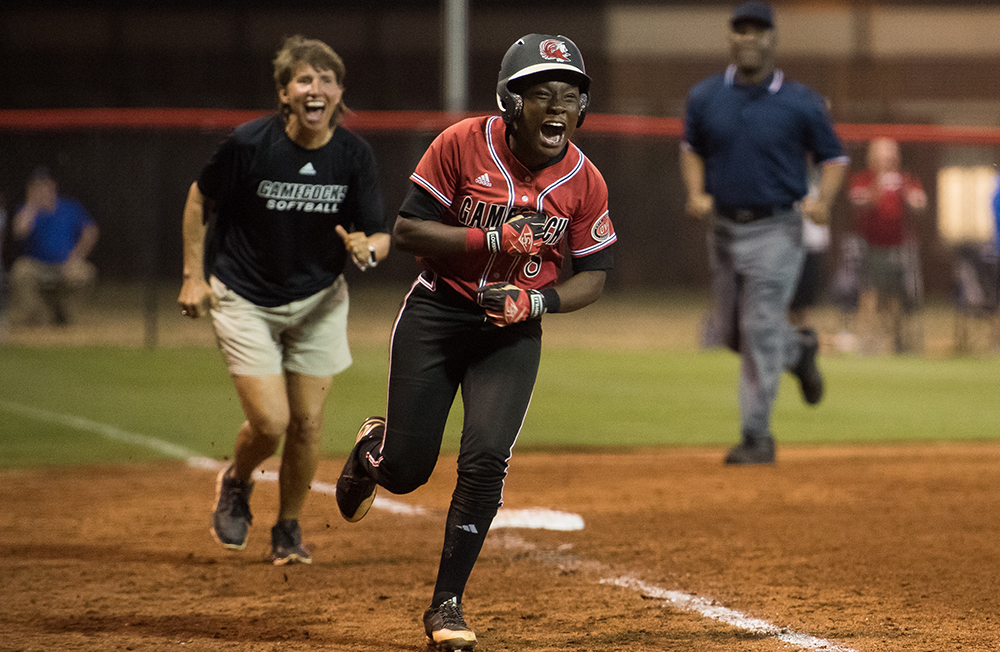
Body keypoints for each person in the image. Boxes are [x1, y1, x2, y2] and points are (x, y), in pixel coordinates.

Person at [334, 33, 616, 650]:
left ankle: (446, 604)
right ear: (511, 103)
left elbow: (594, 275)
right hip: (437, 314)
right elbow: (407, 230)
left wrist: (536, 300)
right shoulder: (462, 144)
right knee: (407, 473)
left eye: (569, 95)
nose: (558, 108)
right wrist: (489, 242)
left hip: (511, 332)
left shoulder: (583, 178)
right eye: (542, 94)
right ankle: (372, 452)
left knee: (486, 457)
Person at [177, 35, 390, 566]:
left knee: (308, 424)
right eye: (303, 79)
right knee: (271, 423)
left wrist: (370, 248)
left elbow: (378, 234)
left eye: (326, 79)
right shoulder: (251, 144)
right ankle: (237, 480)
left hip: (317, 300)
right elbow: (199, 197)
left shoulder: (353, 156)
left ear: (340, 93)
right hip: (244, 295)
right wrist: (192, 276)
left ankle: (288, 528)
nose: (315, 89)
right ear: (284, 93)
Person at [680, 1, 848, 465]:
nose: (748, 38)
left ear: (773, 38)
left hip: (778, 228)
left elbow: (834, 158)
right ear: (729, 38)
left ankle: (757, 437)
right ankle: (798, 351)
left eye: (758, 30)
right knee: (732, 333)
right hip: (723, 229)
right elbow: (691, 147)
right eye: (740, 30)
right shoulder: (705, 96)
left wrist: (822, 201)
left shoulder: (801, 101)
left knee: (756, 329)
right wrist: (695, 191)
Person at [847, 137, 927, 354]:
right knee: (870, 295)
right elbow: (859, 202)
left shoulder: (907, 179)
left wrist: (910, 195)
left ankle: (905, 345)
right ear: (873, 156)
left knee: (904, 297)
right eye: (884, 152)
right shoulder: (862, 179)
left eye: (893, 152)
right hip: (872, 248)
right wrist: (880, 181)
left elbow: (921, 205)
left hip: (902, 248)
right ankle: (868, 345)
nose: (890, 157)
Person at [9, 167, 99, 327]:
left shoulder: (69, 207)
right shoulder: (27, 210)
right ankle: (38, 313)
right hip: (37, 265)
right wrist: (32, 206)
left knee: (85, 273)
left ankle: (64, 311)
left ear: (53, 186)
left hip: (65, 265)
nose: (40, 190)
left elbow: (91, 231)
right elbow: (19, 231)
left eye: (44, 186)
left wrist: (77, 255)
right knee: (21, 271)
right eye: (35, 187)